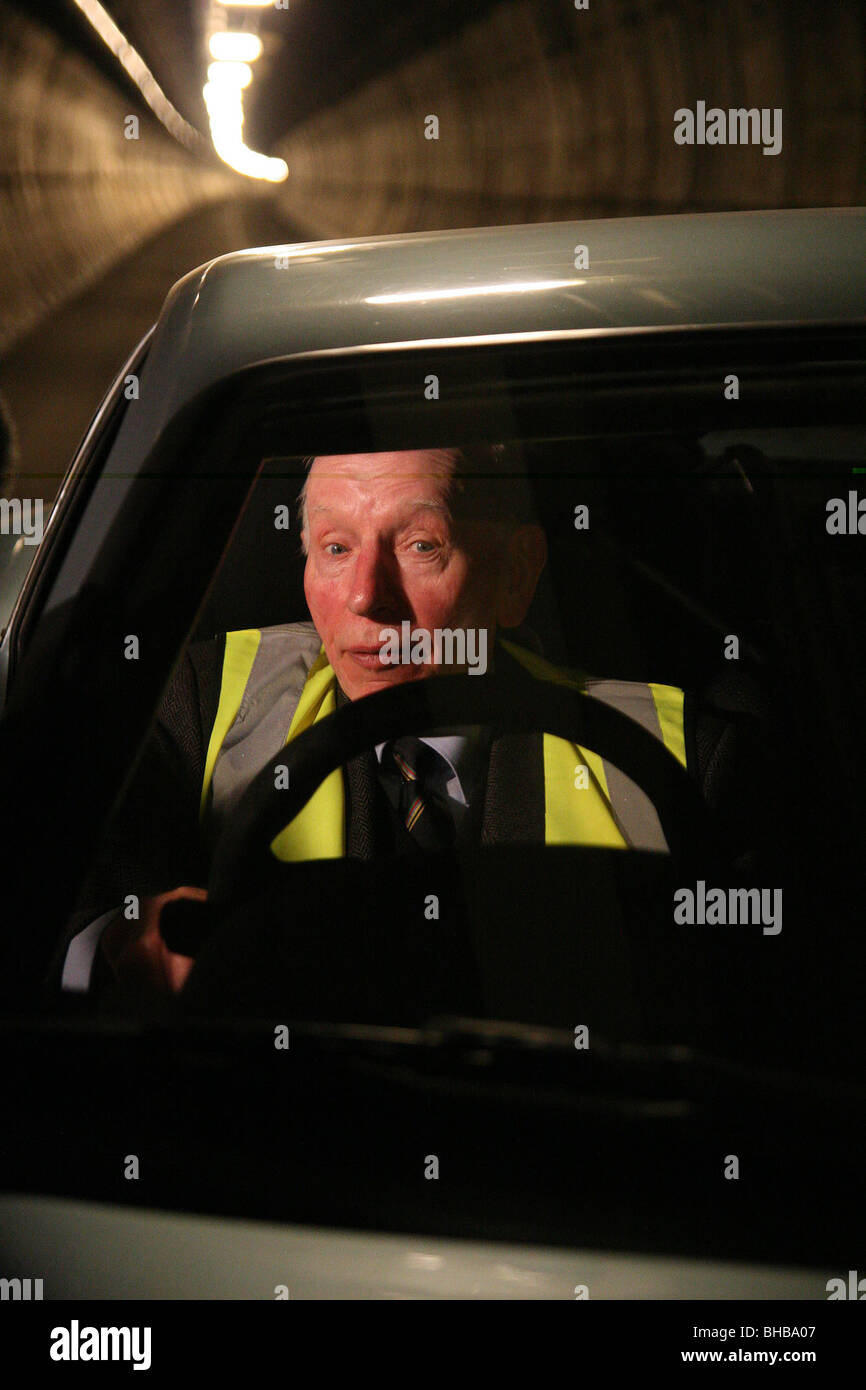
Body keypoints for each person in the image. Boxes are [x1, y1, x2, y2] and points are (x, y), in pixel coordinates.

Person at [53, 445, 765, 1008]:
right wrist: (122, 938)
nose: (366, 595)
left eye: (420, 545)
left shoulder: (691, 758)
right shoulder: (199, 700)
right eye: (335, 547)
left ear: (517, 576)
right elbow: (50, 917)